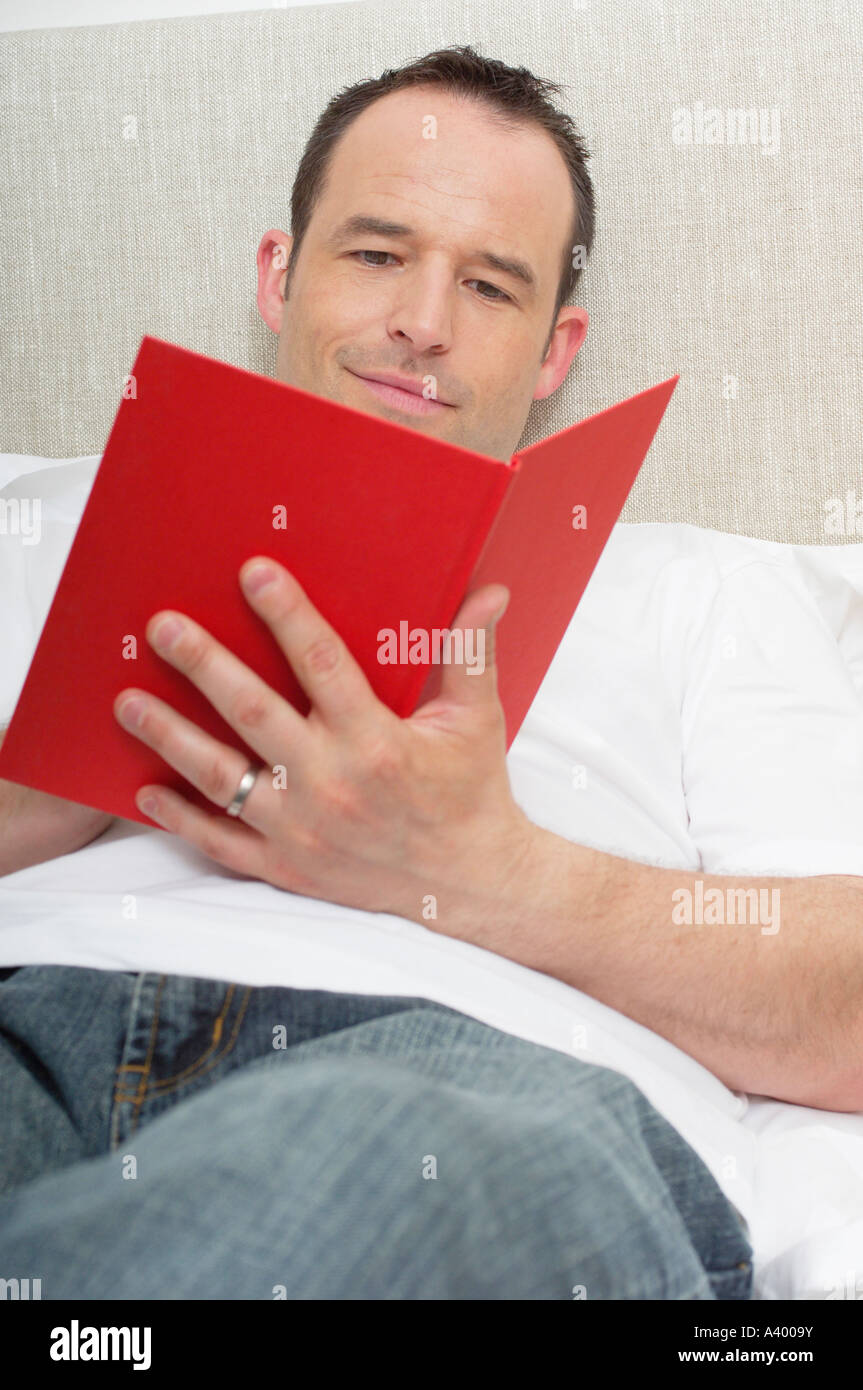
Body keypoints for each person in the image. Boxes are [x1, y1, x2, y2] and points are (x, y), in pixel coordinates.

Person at [5, 42, 859, 1300]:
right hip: (32, 1013)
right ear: (276, 272)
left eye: (492, 285)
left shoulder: (696, 591)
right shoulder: (37, 522)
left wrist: (488, 876)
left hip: (468, 1074)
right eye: (375, 252)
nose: (422, 319)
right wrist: (64, 777)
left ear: (557, 349)